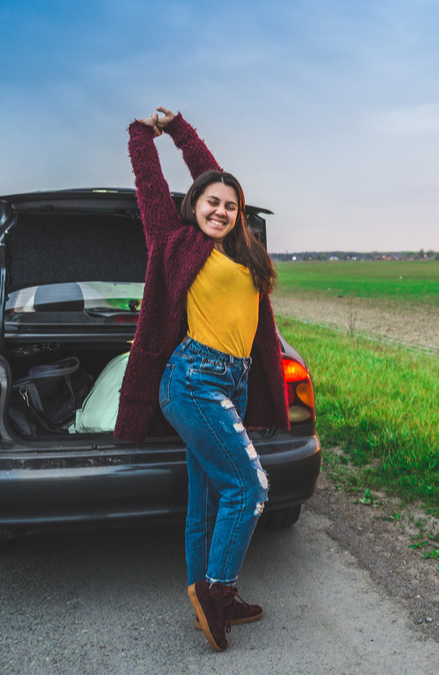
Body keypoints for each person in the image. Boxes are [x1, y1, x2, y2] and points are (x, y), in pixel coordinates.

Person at [116, 107, 291, 652]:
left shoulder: (241, 254)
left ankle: (208, 597)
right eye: (211, 201)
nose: (221, 209)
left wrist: (188, 134)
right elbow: (156, 184)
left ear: (238, 215)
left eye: (230, 205)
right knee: (253, 487)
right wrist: (151, 135)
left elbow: (216, 177)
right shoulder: (174, 242)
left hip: (232, 381)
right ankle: (219, 593)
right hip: (192, 379)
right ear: (194, 206)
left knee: (211, 499)